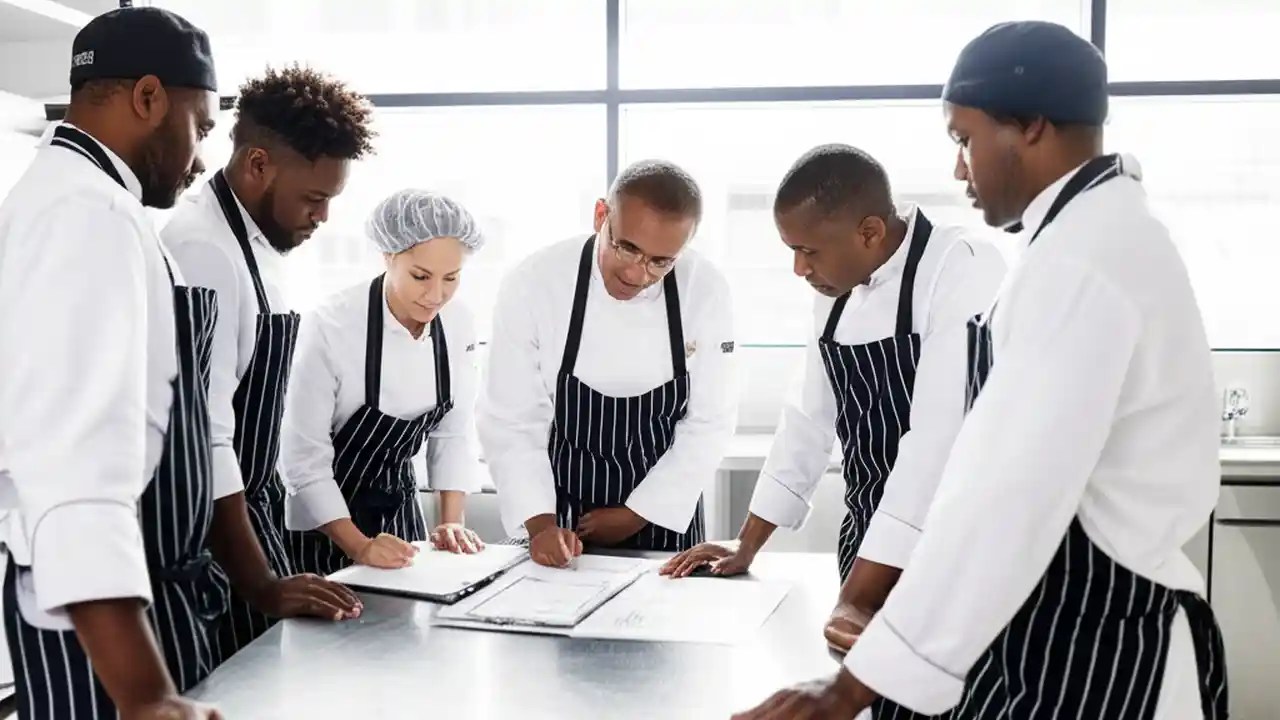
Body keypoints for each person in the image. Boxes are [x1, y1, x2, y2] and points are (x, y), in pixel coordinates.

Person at [733, 21, 1228, 720]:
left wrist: (850, 687)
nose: (958, 169)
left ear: (1030, 126)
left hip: (1104, 638)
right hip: (1062, 618)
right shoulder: (1090, 237)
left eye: (964, 139)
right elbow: (812, 423)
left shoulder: (1078, 260)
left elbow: (1002, 492)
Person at [661, 146, 1006, 675]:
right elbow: (808, 416)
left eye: (809, 252)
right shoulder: (836, 285)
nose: (799, 269)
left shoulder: (962, 267)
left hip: (957, 551)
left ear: (868, 233)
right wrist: (746, 544)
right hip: (867, 542)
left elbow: (936, 441)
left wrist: (859, 597)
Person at [0, 7, 227, 718]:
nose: (199, 160)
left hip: (122, 599)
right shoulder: (85, 213)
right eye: (202, 129)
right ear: (149, 98)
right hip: (97, 629)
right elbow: (74, 466)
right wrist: (146, 695)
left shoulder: (81, 197)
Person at [162, 65, 374, 661]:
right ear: (258, 164)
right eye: (314, 198)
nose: (324, 217)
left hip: (254, 517)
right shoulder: (202, 248)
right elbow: (208, 437)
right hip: (211, 537)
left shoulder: (256, 238)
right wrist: (259, 581)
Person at [478, 160, 738, 566]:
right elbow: (511, 419)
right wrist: (541, 524)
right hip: (560, 515)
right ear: (601, 215)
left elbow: (710, 422)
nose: (637, 273)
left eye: (661, 261)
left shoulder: (704, 290)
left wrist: (638, 514)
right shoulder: (534, 283)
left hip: (665, 516)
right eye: (627, 247)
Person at [282, 190, 487, 574]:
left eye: (452, 278)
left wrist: (451, 522)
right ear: (388, 256)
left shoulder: (457, 323)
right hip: (325, 525)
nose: (436, 295)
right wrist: (359, 547)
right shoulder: (332, 326)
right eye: (420, 276)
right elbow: (303, 459)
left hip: (401, 518)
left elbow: (453, 433)